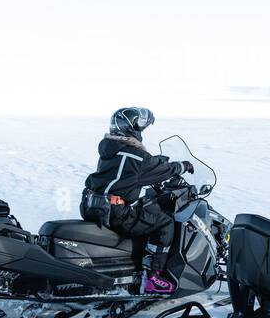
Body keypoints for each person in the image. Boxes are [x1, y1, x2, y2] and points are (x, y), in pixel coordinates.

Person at [81, 107, 193, 294]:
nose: (141, 130)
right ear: (131, 128)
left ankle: (134, 263)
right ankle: (153, 277)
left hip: (91, 205)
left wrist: (154, 162)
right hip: (114, 212)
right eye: (139, 126)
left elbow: (137, 169)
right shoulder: (134, 154)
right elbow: (160, 170)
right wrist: (182, 166)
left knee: (144, 207)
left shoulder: (111, 149)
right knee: (164, 222)